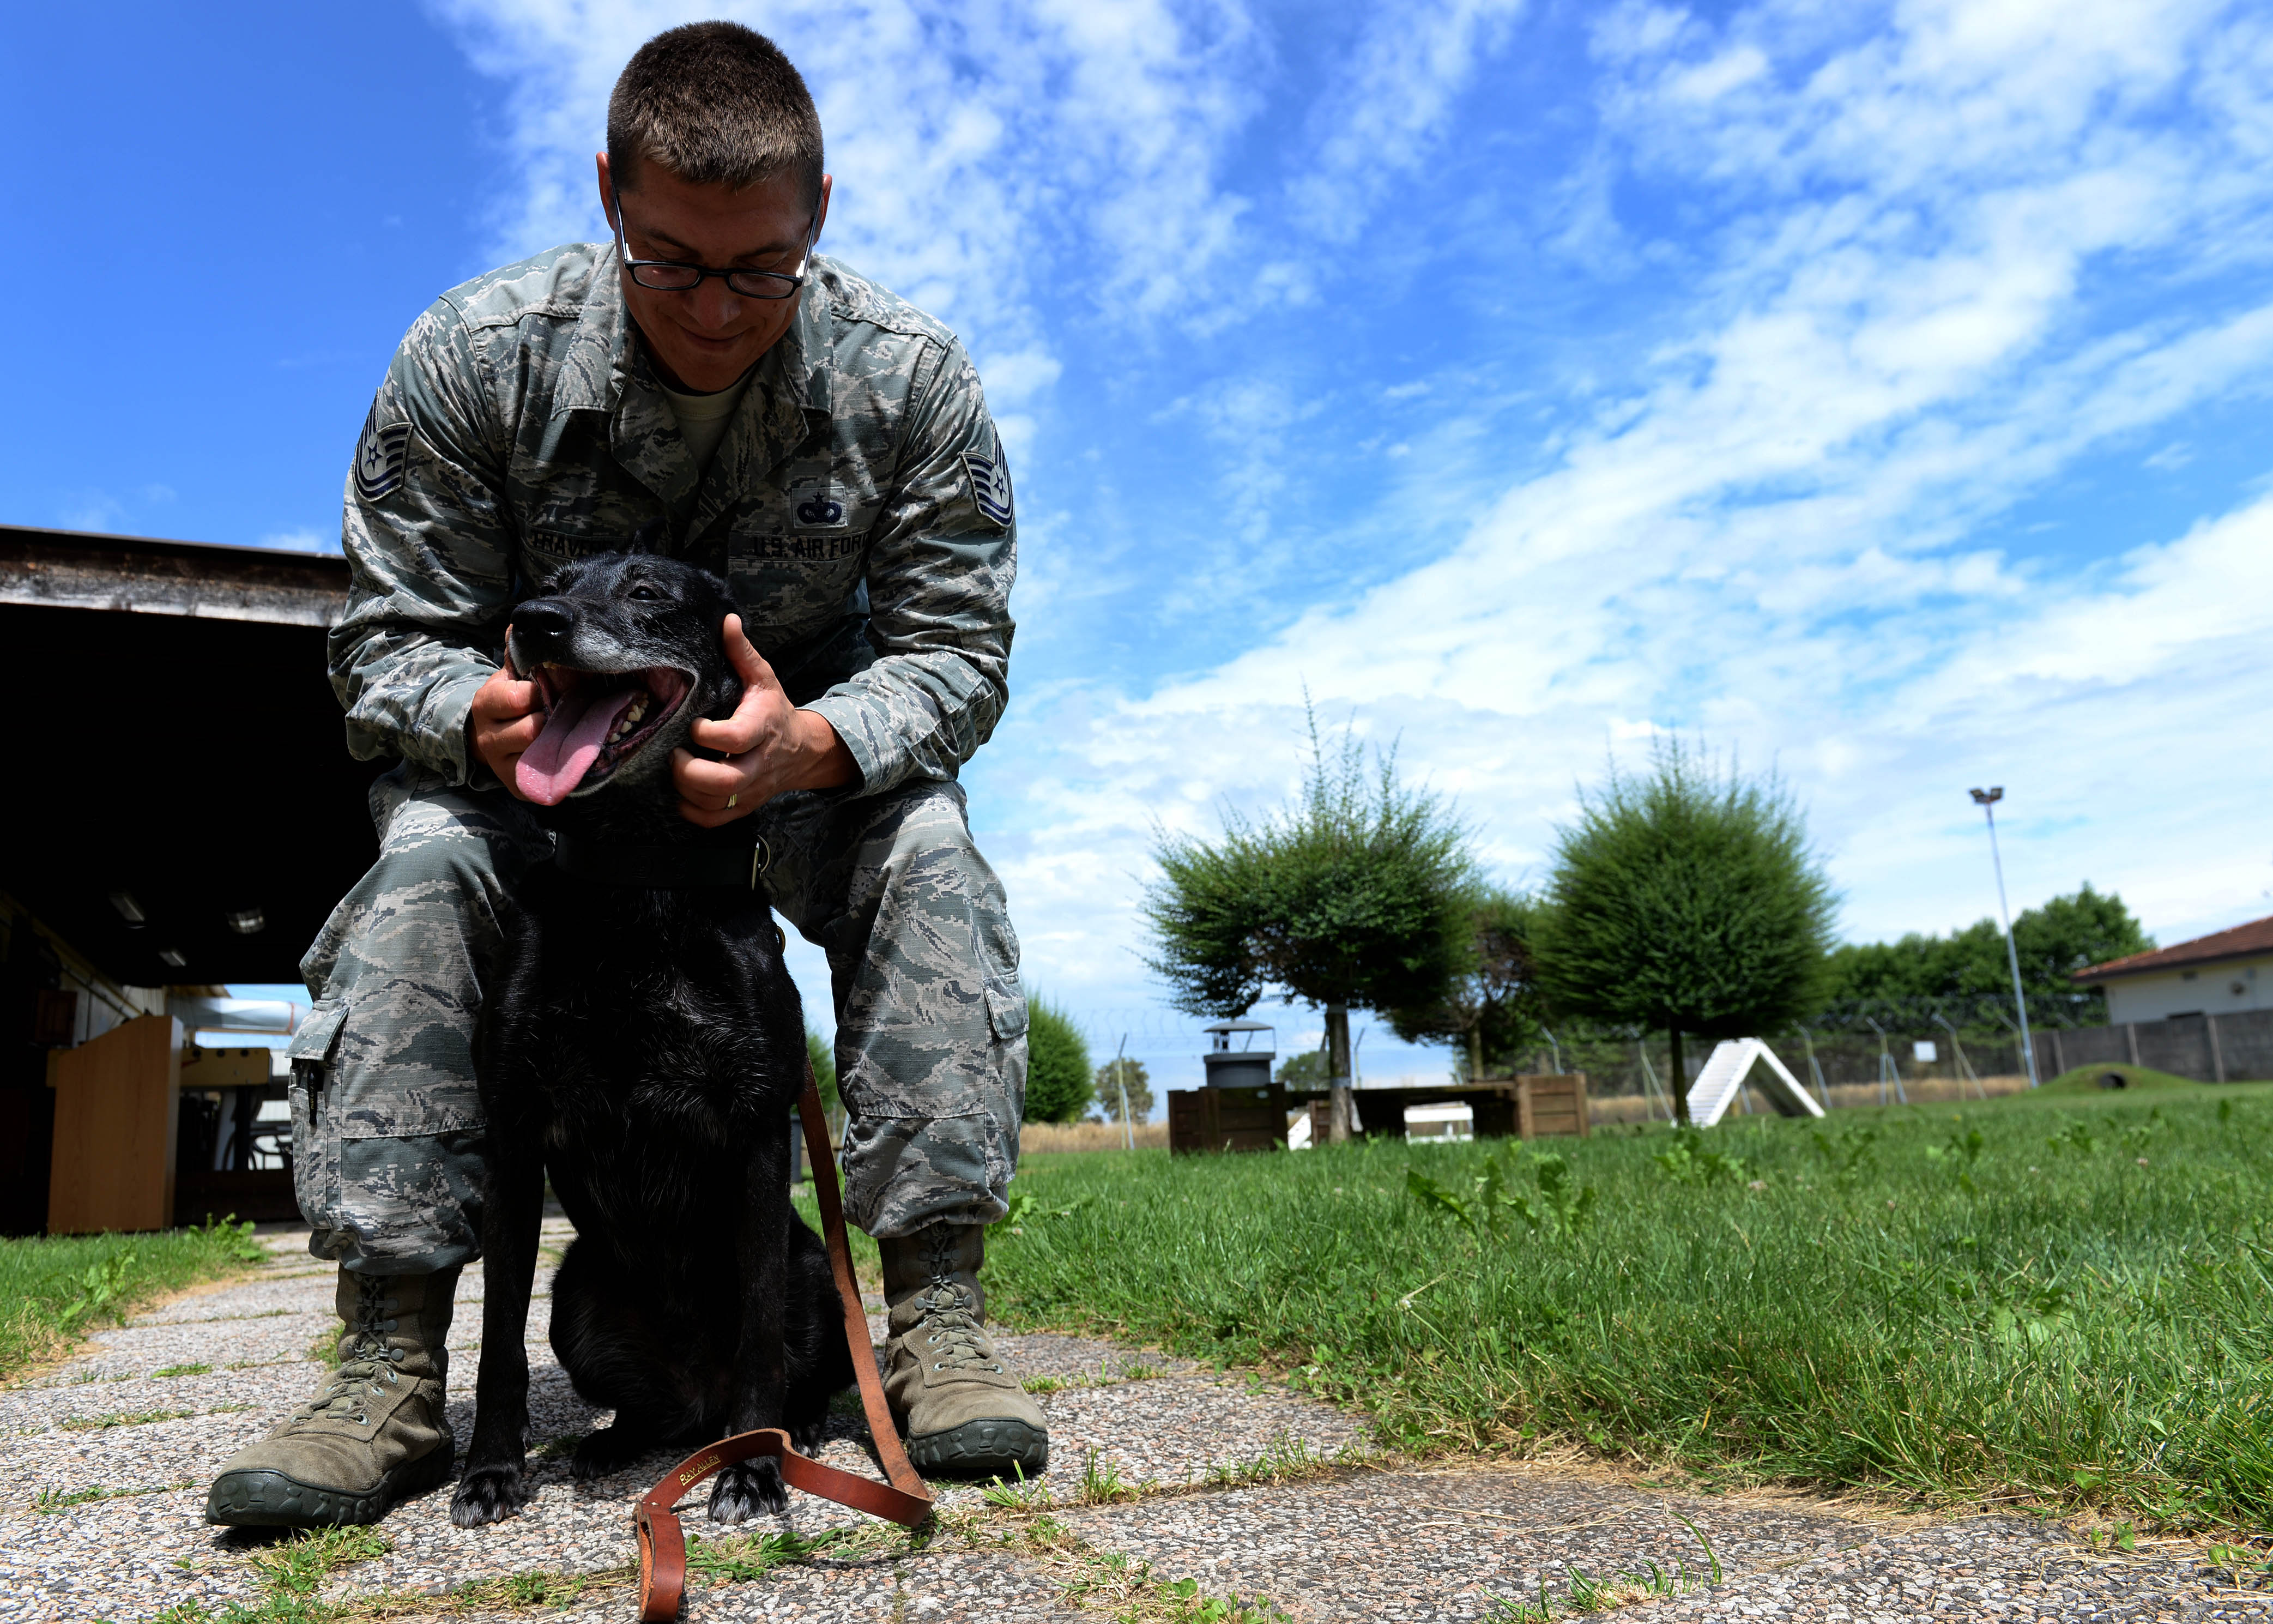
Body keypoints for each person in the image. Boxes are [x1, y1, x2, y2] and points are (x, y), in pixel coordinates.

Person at [204, 21, 1044, 1530]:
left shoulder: (909, 381)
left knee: (924, 848)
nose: (717, 310)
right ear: (607, 194)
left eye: (762, 269)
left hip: (784, 779)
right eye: (670, 263)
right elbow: (385, 639)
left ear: (821, 213)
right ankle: (389, 1365)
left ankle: (935, 1320)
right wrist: (481, 713)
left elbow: (957, 657)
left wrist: (816, 745)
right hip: (548, 778)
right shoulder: (475, 358)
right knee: (424, 872)